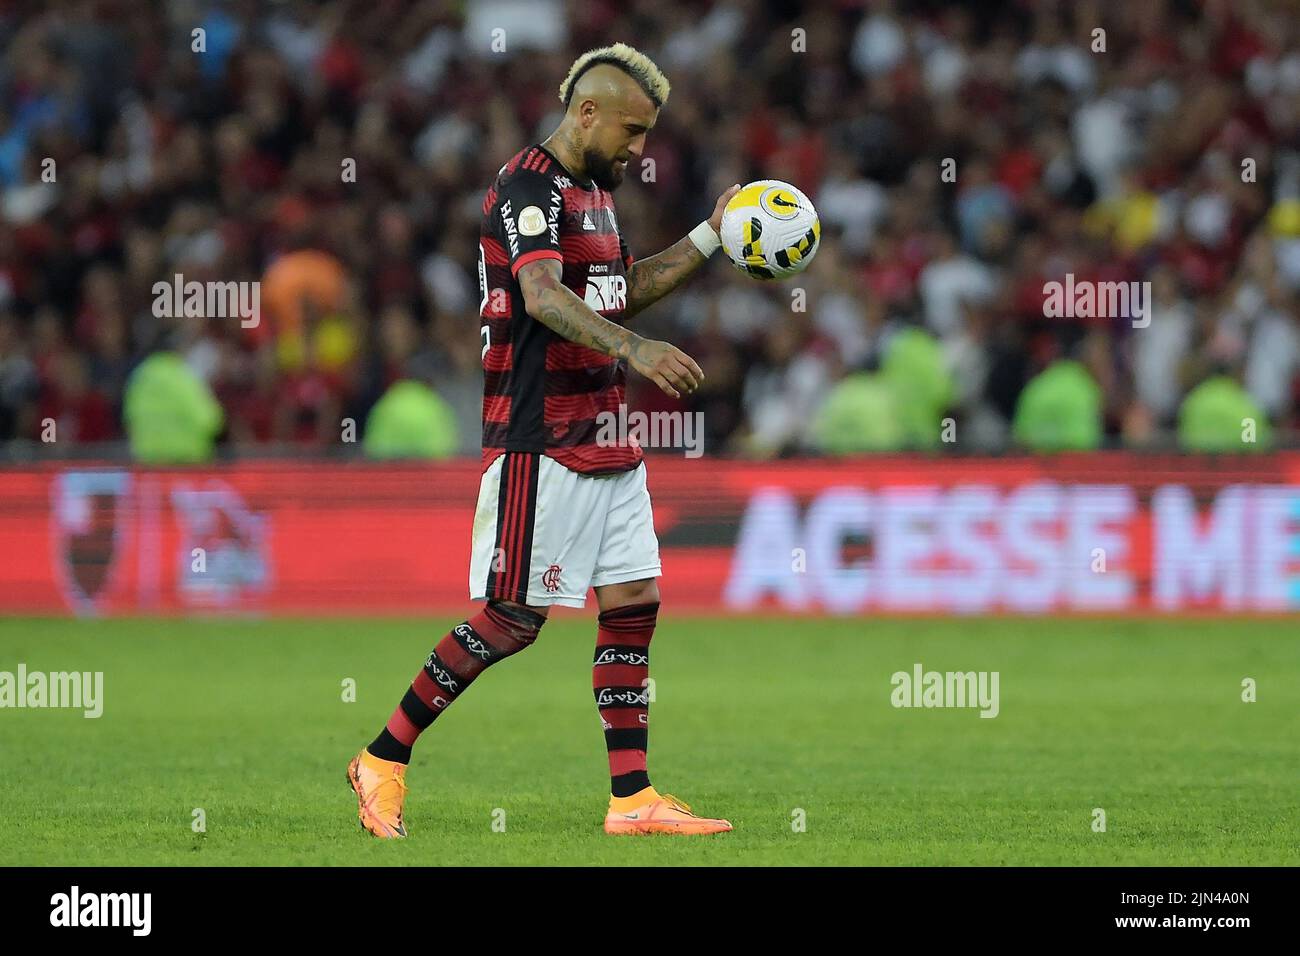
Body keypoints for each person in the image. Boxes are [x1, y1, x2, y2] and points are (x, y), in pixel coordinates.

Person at [347, 43, 738, 837]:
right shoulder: (528, 183)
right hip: (540, 435)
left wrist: (710, 236)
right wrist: (636, 350)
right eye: (631, 132)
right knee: (511, 619)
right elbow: (541, 294)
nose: (639, 150)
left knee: (633, 603)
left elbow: (619, 289)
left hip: (605, 433)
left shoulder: (596, 193)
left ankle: (632, 800)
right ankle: (383, 757)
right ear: (585, 112)